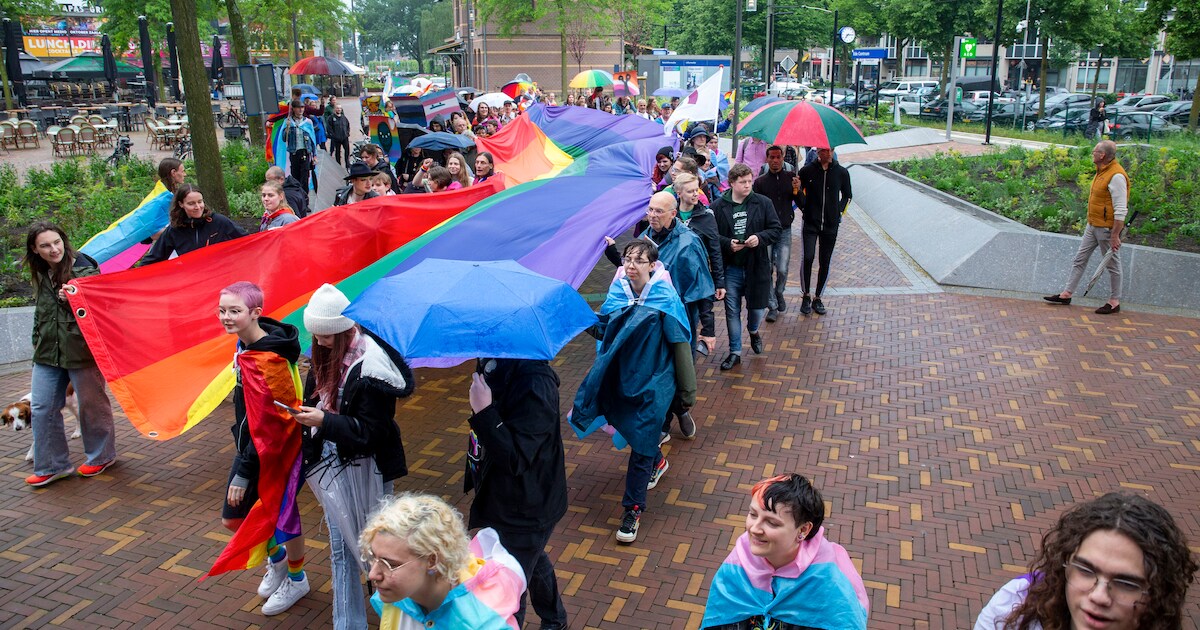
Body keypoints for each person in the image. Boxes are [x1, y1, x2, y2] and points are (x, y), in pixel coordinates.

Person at [293, 283, 415, 630]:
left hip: (368, 468)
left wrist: (324, 421)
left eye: (326, 336)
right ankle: (348, 624)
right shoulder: (327, 355)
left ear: (345, 330)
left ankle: (400, 620)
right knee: (341, 548)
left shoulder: (372, 367)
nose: (318, 343)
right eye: (315, 336)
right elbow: (321, 403)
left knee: (380, 551)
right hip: (334, 465)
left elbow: (373, 432)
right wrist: (312, 417)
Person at [569, 239, 696, 544]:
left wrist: (686, 393)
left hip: (655, 385)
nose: (631, 265)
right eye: (627, 259)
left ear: (653, 266)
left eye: (639, 260)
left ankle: (632, 510)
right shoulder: (618, 295)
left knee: (641, 442)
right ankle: (656, 461)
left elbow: (680, 348)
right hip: (622, 378)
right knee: (635, 434)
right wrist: (573, 313)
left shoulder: (665, 299)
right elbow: (605, 330)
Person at [216, 281, 309, 616]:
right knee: (239, 518)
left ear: (255, 313)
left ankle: (297, 578)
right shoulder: (246, 346)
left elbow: (274, 422)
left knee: (281, 515)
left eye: (235, 311)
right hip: (252, 447)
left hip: (273, 452)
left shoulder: (267, 359)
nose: (226, 317)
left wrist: (244, 469)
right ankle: (279, 561)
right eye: (222, 310)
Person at [974, 492, 1197, 630]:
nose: (1099, 596)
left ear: (1159, 593)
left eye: (1126, 583)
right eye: (1086, 570)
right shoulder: (1013, 609)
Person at [465, 358, 570, 630]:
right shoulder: (494, 363)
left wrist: (484, 411)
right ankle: (555, 619)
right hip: (504, 498)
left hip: (528, 504)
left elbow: (517, 457)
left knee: (509, 586)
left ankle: (554, 620)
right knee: (530, 560)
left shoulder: (536, 382)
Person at [702, 474, 869, 630]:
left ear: (803, 530)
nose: (754, 528)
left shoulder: (827, 580)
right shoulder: (737, 563)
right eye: (753, 514)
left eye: (772, 523)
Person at [22, 223, 116, 487]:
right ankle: (52, 465)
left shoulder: (84, 267)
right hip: (47, 352)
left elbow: (101, 307)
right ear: (35, 249)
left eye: (57, 242)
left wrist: (74, 300)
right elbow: (41, 312)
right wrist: (37, 340)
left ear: (64, 240)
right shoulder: (40, 272)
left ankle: (102, 455)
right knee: (42, 407)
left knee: (91, 405)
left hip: (81, 350)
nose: (54, 250)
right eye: (45, 246)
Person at [361, 493, 526, 629]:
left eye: (390, 564)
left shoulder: (485, 623)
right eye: (372, 557)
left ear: (432, 560)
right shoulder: (394, 595)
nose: (373, 574)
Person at [1043, 140, 1128, 315]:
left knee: (1112, 264)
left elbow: (1121, 209)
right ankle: (1066, 294)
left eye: (1094, 151)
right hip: (1093, 225)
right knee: (1079, 259)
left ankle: (1114, 301)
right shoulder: (1102, 171)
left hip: (1106, 229)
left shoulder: (1116, 176)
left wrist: (1115, 235)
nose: (1093, 154)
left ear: (1102, 155)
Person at [712, 163, 782, 371]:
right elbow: (712, 235)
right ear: (732, 183)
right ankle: (735, 352)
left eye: (750, 181)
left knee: (757, 310)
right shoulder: (718, 207)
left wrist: (759, 238)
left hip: (756, 266)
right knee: (732, 311)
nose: (748, 185)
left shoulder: (763, 203)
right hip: (731, 268)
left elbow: (776, 229)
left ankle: (753, 331)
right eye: (743, 182)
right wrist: (728, 243)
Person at [672, 172, 724, 358]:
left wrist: (719, 282)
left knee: (691, 324)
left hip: (696, 282)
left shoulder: (706, 216)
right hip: (672, 281)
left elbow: (715, 251)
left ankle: (688, 364)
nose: (695, 194)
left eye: (697, 190)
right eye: (690, 191)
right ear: (679, 192)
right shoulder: (671, 215)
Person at [796, 147, 852, 316]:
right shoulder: (807, 171)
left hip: (830, 225)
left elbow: (847, 195)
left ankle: (818, 297)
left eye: (829, 151)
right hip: (811, 224)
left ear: (833, 151)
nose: (827, 154)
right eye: (823, 151)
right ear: (817, 152)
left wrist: (838, 212)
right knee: (808, 257)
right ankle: (806, 295)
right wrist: (797, 191)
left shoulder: (841, 172)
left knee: (825, 261)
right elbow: (799, 198)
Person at [753, 145, 804, 322]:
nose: (775, 161)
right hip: (766, 232)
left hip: (785, 230)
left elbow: (801, 203)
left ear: (783, 158)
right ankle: (772, 304)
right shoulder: (759, 182)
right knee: (767, 268)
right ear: (767, 159)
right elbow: (756, 208)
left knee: (782, 268)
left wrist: (798, 189)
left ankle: (779, 292)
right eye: (772, 157)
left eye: (778, 157)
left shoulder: (791, 178)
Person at [138, 184, 246, 265]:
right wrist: (128, 278)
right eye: (191, 204)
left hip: (218, 277)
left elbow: (247, 241)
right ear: (181, 204)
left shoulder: (219, 221)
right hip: (192, 281)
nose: (198, 207)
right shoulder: (175, 229)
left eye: (200, 202)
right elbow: (154, 258)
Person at [283, 100, 317, 194]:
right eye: (298, 107)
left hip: (305, 152)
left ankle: (305, 200)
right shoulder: (288, 122)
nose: (301, 110)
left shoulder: (308, 122)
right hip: (294, 153)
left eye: (302, 107)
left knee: (305, 177)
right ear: (293, 109)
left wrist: (314, 155)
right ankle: (298, 198)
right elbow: (284, 138)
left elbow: (312, 139)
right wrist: (287, 129)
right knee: (295, 176)